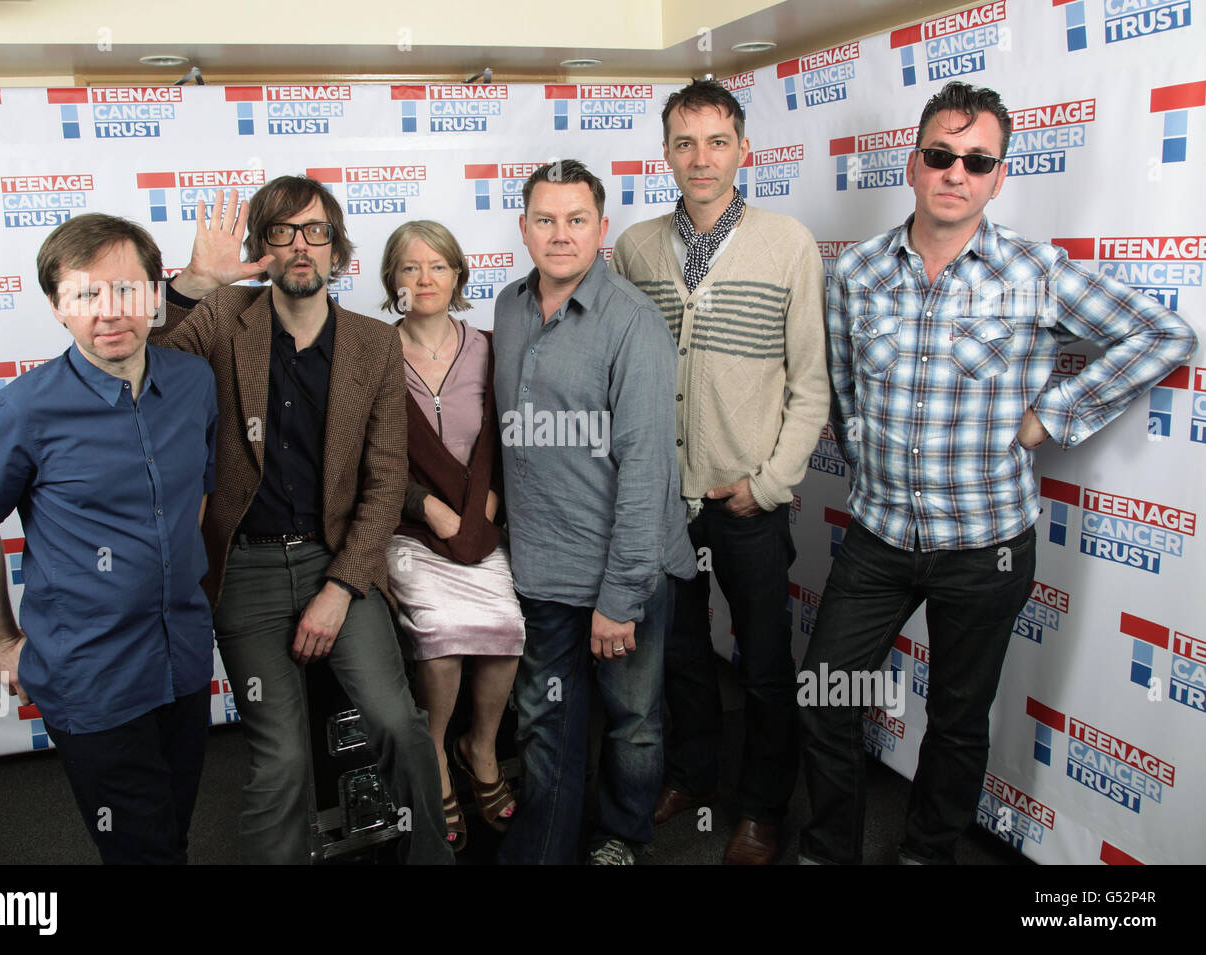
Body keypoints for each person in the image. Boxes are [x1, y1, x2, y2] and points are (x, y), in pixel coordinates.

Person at [800, 81, 1198, 865]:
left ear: (998, 175)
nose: (957, 173)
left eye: (976, 160)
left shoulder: (1036, 270)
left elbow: (1164, 334)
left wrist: (1054, 415)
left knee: (956, 716)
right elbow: (843, 391)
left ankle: (927, 853)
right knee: (825, 697)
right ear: (914, 165)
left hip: (988, 547)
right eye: (941, 155)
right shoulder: (855, 274)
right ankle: (827, 850)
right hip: (878, 536)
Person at [154, 176, 452, 864]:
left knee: (400, 727)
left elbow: (385, 483)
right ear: (261, 247)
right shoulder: (225, 316)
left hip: (337, 561)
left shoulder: (374, 344)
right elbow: (149, 364)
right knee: (283, 758)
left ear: (336, 247)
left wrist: (341, 587)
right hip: (245, 572)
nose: (299, 245)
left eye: (315, 231)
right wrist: (193, 281)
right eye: (282, 232)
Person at [0, 214, 218, 864]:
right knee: (141, 851)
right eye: (85, 295)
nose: (110, 312)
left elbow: (200, 493)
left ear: (155, 296)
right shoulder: (22, 411)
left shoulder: (194, 384)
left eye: (126, 290)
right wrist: (4, 640)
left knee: (175, 828)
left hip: (182, 660)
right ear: (57, 307)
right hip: (92, 678)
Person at [612, 79, 830, 864]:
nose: (700, 159)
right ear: (665, 152)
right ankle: (694, 773)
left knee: (766, 664)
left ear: (744, 150)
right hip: (662, 499)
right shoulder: (634, 247)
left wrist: (767, 484)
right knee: (679, 654)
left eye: (715, 141)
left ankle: (763, 807)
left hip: (745, 499)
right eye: (684, 142)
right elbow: (622, 371)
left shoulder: (788, 243)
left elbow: (811, 383)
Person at [493, 159, 696, 865]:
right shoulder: (507, 306)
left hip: (623, 570)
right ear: (523, 227)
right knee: (546, 719)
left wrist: (621, 596)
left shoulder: (632, 322)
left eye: (576, 219)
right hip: (542, 567)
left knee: (632, 722)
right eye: (544, 219)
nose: (560, 234)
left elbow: (647, 469)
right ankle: (544, 847)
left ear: (601, 228)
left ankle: (621, 835)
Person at [377, 220, 525, 852]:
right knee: (438, 640)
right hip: (408, 525)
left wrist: (486, 502)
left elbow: (505, 433)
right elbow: (366, 455)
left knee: (506, 633)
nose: (424, 279)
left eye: (437, 266)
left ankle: (480, 748)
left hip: (481, 520)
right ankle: (435, 752)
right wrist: (426, 505)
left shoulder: (491, 348)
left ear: (460, 275)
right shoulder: (371, 354)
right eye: (410, 268)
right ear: (392, 281)